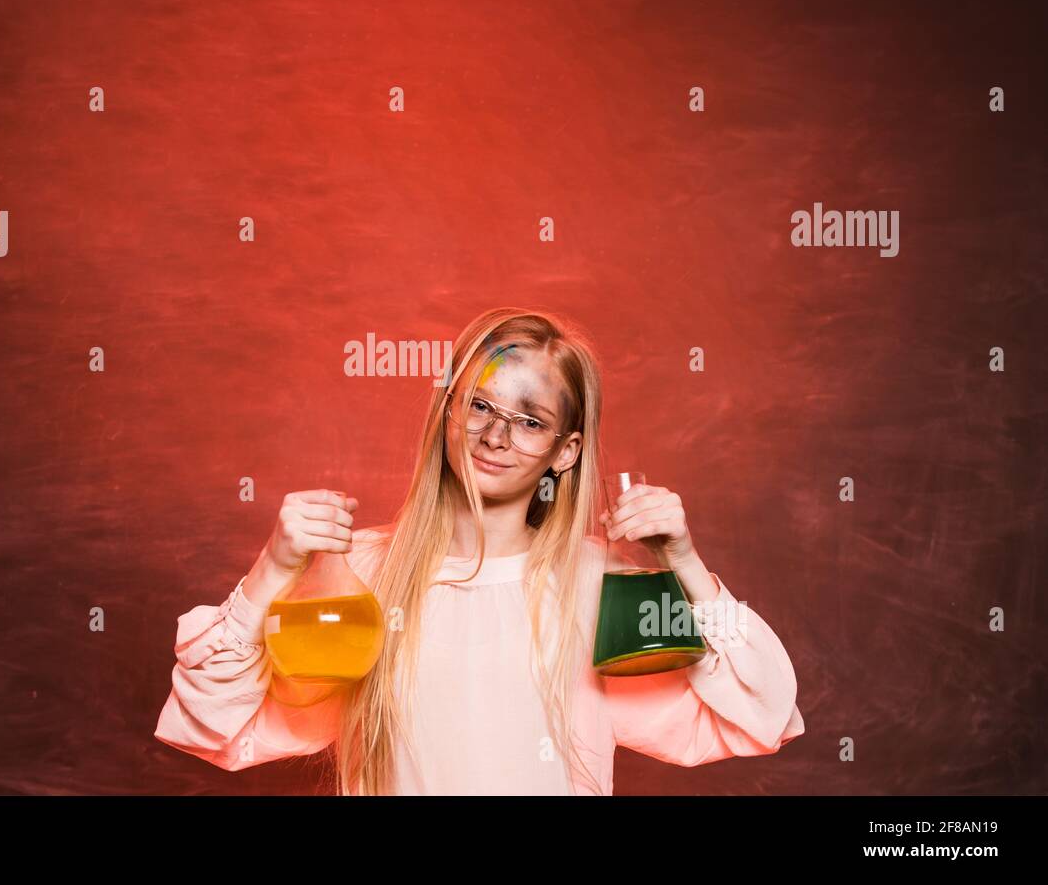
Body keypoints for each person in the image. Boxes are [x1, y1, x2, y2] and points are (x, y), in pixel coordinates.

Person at [154, 307, 804, 794]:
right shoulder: (361, 580)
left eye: (530, 420)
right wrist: (273, 570)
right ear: (447, 413)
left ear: (566, 451)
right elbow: (213, 723)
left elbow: (759, 714)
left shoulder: (602, 588)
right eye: (480, 405)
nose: (495, 435)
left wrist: (684, 564)